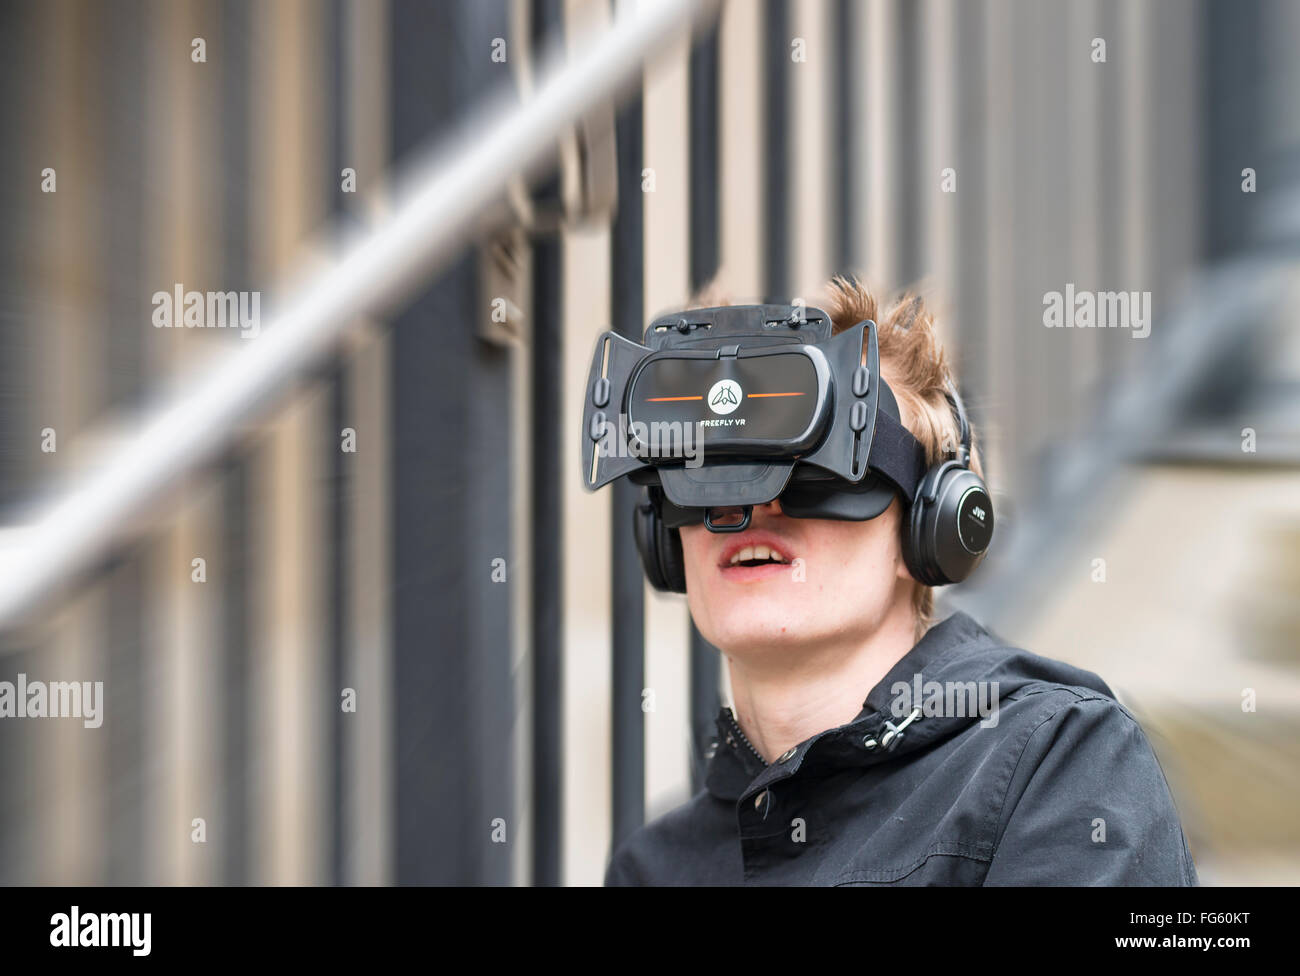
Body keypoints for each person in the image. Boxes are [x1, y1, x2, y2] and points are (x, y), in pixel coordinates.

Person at [603, 275, 1199, 886]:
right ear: (664, 540)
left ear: (929, 524)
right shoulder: (652, 869)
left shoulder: (1059, 765)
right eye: (713, 468)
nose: (756, 510)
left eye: (817, 470)